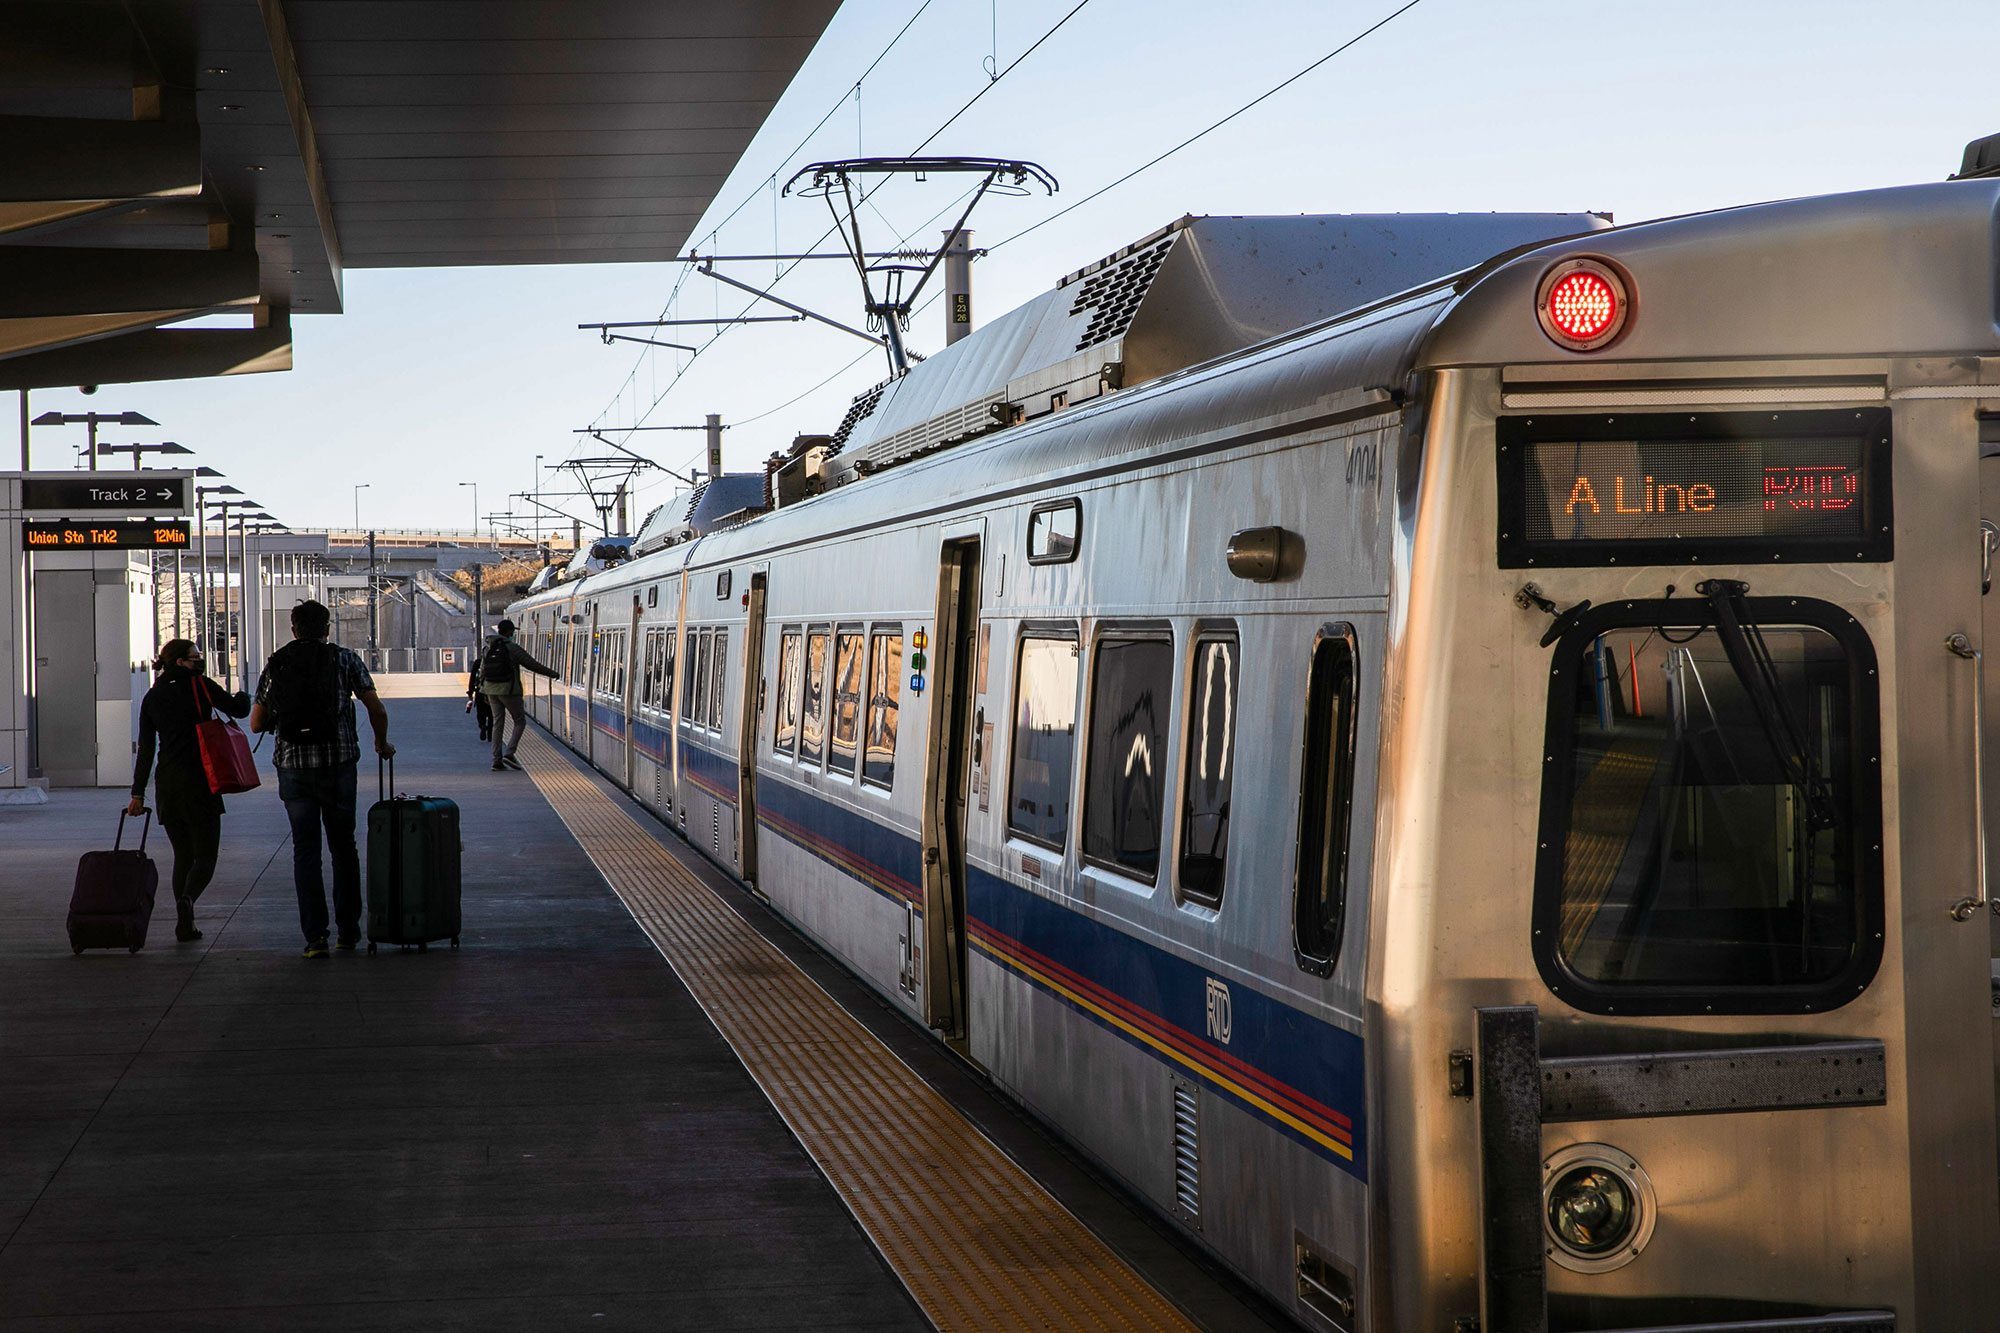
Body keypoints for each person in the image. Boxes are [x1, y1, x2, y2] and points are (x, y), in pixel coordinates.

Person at [249, 600, 394, 959]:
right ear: (328, 629)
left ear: (294, 630)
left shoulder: (277, 663)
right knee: (344, 849)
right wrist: (380, 742)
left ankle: (316, 939)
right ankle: (348, 934)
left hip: (294, 769)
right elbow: (376, 708)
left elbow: (255, 723)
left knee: (306, 853)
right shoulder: (344, 659)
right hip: (338, 766)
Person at [127, 639, 251, 942]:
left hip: (168, 784)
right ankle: (189, 900)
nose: (199, 661)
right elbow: (239, 709)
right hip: (201, 780)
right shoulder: (201, 685)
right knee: (206, 856)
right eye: (195, 657)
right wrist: (244, 693)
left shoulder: (152, 697)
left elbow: (146, 749)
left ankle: (186, 925)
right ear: (180, 661)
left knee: (182, 854)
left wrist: (137, 793)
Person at [477, 618, 559, 771]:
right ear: (509, 632)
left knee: (497, 724)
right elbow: (531, 664)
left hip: (491, 691)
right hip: (509, 690)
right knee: (519, 721)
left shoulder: (488, 648)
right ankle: (509, 753)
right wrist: (552, 673)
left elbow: (482, 672)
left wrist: (483, 692)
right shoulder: (512, 648)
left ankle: (496, 761)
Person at [465, 669, 492, 741]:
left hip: (480, 691)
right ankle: (490, 735)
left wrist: (470, 692)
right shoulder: (499, 659)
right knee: (492, 714)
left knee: (481, 712)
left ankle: (482, 725)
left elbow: (472, 678)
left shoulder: (478, 662)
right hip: (493, 691)